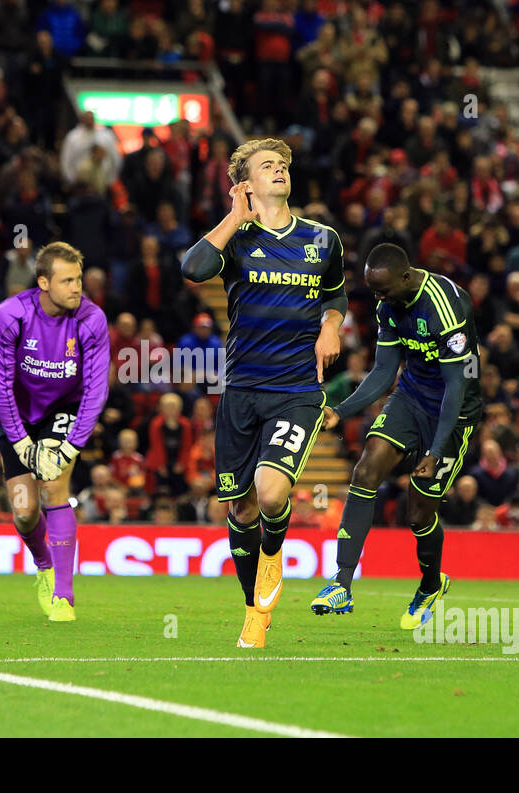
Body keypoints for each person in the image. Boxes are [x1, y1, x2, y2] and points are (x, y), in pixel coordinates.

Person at [181, 137, 346, 648]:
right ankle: (254, 609)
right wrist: (235, 214)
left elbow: (335, 291)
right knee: (240, 509)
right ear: (247, 183)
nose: (278, 170)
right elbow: (192, 269)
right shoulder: (238, 238)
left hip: (296, 387)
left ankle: (273, 559)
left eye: (281, 165)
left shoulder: (323, 239)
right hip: (243, 388)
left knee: (273, 492)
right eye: (265, 167)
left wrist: (332, 323)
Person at [310, 243, 482, 629]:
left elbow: (456, 386)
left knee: (418, 512)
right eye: (374, 292)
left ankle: (430, 585)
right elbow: (384, 372)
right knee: (366, 469)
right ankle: (341, 582)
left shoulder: (447, 306)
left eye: (384, 291)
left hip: (454, 411)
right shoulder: (388, 304)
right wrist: (340, 411)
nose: (379, 299)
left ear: (406, 277)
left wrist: (436, 450)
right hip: (411, 397)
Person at [0, 242, 109, 621]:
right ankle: (44, 565)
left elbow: (95, 391)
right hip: (19, 416)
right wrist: (21, 441)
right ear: (43, 282)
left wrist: (70, 447)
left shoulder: (91, 319)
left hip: (64, 409)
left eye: (79, 279)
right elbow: (1, 386)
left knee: (54, 484)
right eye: (67, 280)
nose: (77, 288)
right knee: (24, 512)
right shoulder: (9, 316)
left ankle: (64, 596)